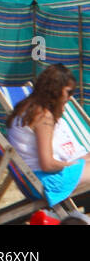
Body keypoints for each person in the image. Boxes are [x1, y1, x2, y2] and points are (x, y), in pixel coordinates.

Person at [6, 64, 89, 203]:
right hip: (46, 182)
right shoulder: (42, 115)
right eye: (69, 92)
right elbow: (48, 164)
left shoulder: (27, 108)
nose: (70, 97)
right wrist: (74, 164)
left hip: (33, 179)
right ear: (56, 89)